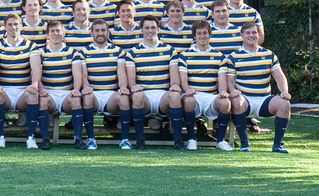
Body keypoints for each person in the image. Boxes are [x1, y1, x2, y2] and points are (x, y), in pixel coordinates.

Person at [226, 21, 292, 153]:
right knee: (236, 101)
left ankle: (277, 145)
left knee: (285, 104)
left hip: (264, 99)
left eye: (254, 32)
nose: (251, 35)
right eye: (248, 33)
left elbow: (279, 76)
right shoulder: (234, 57)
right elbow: (229, 81)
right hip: (245, 99)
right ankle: (245, 144)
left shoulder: (269, 55)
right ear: (242, 35)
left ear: (259, 34)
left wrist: (284, 92)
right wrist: (233, 91)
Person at [123, 16, 185, 150]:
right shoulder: (133, 53)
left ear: (158, 29)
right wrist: (134, 86)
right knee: (137, 95)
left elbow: (175, 78)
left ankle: (178, 140)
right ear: (141, 30)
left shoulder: (170, 51)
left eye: (153, 27)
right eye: (146, 28)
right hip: (145, 96)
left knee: (175, 95)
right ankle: (140, 139)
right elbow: (131, 81)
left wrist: (174, 85)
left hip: (163, 95)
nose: (150, 30)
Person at [0, 14, 41, 148]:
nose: (13, 27)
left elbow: (36, 68)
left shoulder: (31, 46)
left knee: (33, 93)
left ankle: (30, 138)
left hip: (23, 92)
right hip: (6, 92)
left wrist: (34, 84)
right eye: (9, 25)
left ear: (21, 26)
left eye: (16, 24)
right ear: (4, 27)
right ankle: (0, 137)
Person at [178, 20, 234, 151]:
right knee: (188, 100)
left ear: (209, 34)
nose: (202, 36)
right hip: (194, 95)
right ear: (194, 36)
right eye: (199, 33)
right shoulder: (184, 56)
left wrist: (222, 92)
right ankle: (192, 139)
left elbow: (221, 79)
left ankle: (220, 141)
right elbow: (183, 81)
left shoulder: (219, 56)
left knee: (225, 103)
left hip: (210, 97)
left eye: (205, 33)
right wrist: (187, 90)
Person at [77, 19, 130, 149]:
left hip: (111, 95)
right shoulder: (83, 52)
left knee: (123, 98)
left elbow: (121, 74)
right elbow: (83, 75)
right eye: (97, 30)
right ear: (91, 33)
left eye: (103, 30)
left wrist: (123, 87)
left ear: (108, 32)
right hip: (94, 94)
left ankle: (125, 139)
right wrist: (86, 87)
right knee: (87, 97)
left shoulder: (118, 51)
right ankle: (91, 139)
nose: (100, 33)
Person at [37, 21, 83, 150]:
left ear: (63, 34)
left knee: (76, 99)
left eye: (58, 31)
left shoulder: (72, 52)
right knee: (42, 100)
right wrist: (41, 89)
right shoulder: (40, 53)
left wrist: (76, 89)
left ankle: (78, 139)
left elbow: (78, 75)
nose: (55, 34)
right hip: (49, 93)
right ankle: (45, 139)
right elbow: (35, 74)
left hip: (65, 94)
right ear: (47, 35)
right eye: (52, 31)